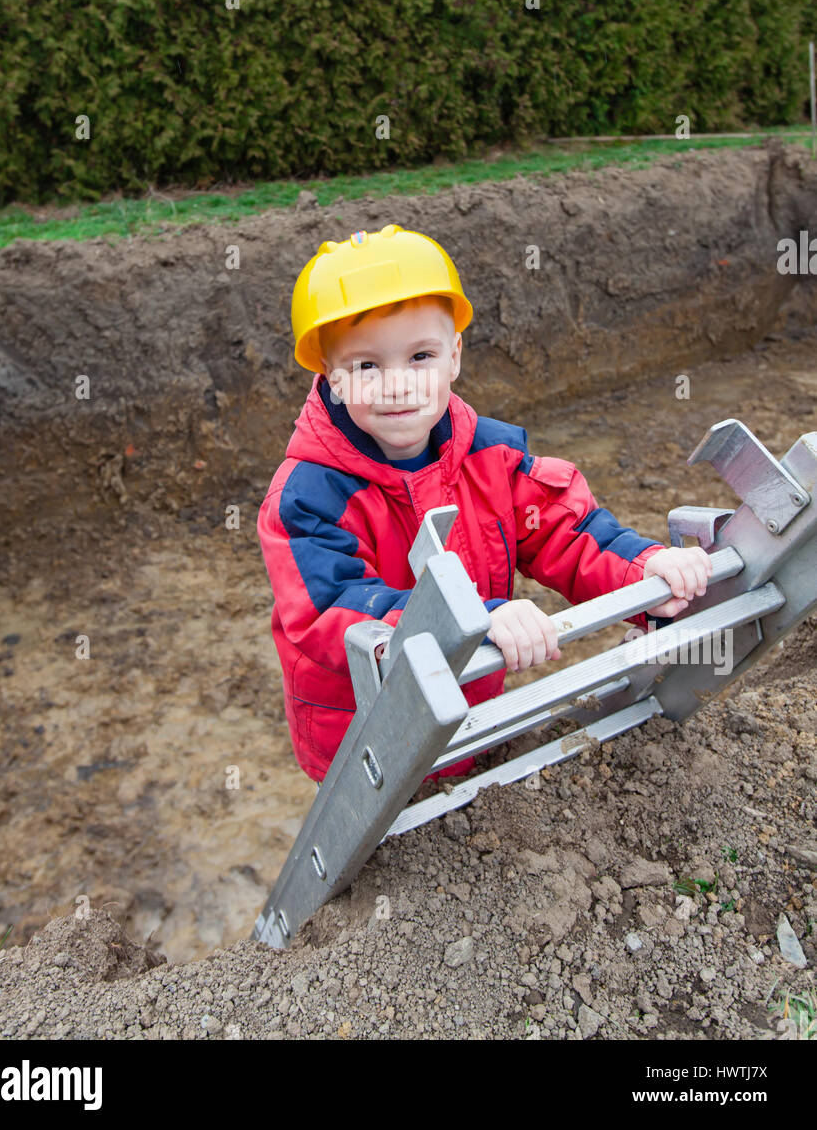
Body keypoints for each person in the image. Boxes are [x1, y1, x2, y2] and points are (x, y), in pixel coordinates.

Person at [256, 224, 711, 786]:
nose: (398, 384)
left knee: (465, 808)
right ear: (331, 378)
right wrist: (472, 620)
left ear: (455, 357)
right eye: (366, 366)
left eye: (420, 356)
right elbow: (333, 609)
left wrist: (642, 567)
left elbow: (564, 533)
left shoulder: (491, 458)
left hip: (471, 707)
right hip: (364, 740)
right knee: (388, 849)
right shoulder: (307, 498)